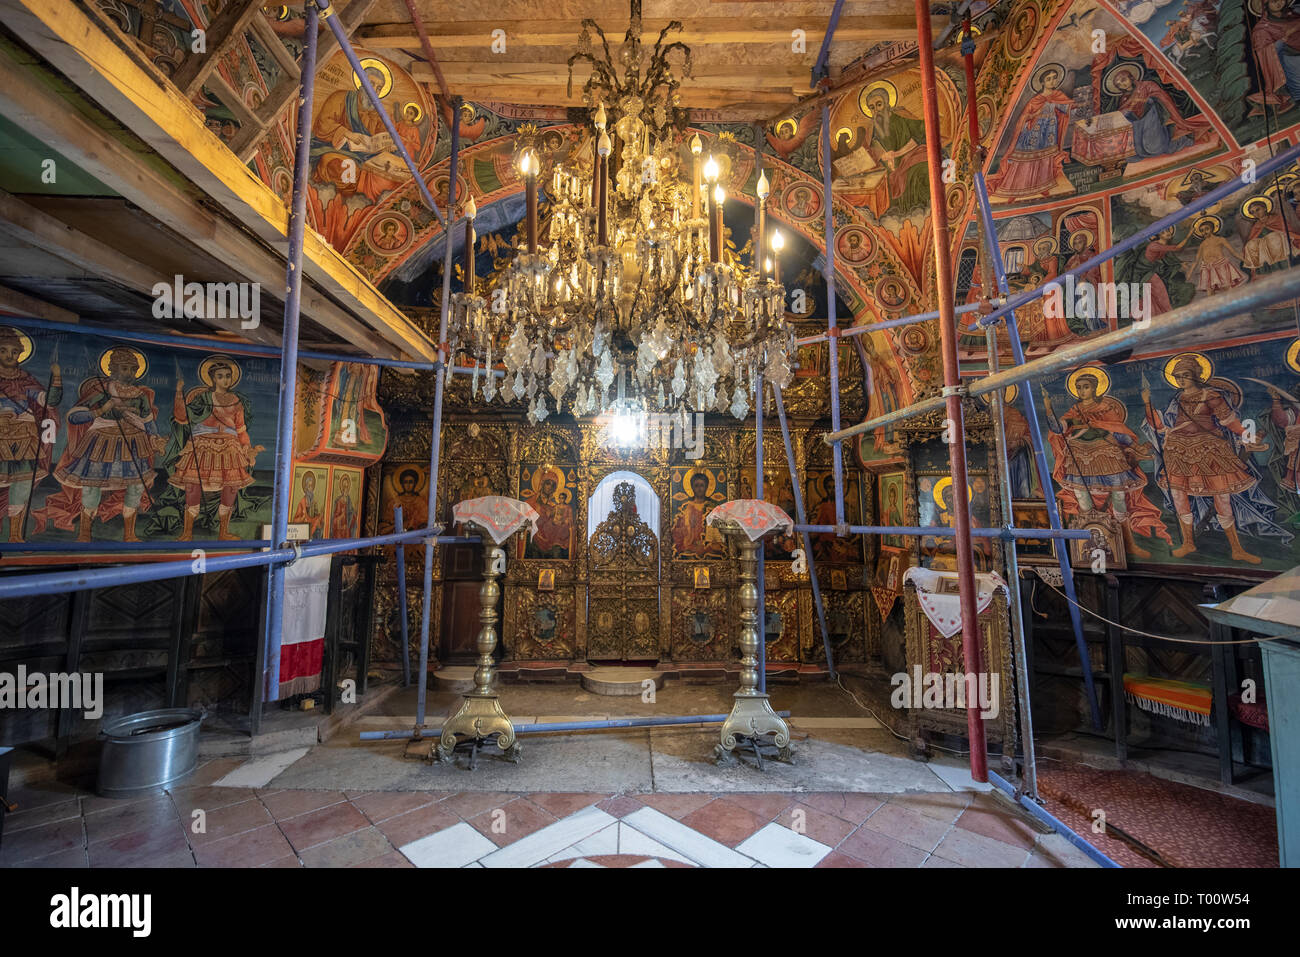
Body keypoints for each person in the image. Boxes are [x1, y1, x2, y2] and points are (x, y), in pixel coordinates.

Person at [1143, 356, 1268, 562]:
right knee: (1179, 498)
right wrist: (1147, 404)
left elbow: (1229, 420)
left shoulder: (1210, 395)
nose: (1181, 380)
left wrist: (1247, 436)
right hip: (1178, 451)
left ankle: (1237, 549)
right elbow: (1161, 426)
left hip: (1209, 450)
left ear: (1196, 376)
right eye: (1178, 377)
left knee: (1222, 498)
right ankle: (1188, 543)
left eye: (1186, 376)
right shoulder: (1177, 400)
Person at [1043, 372, 1170, 559]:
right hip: (1079, 458)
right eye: (1079, 387)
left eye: (1086, 386)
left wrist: (1136, 447)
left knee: (1119, 499)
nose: (1082, 390)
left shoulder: (1105, 407)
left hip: (1108, 456)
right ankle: (1089, 551)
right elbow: (1058, 428)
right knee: (1083, 501)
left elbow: (1118, 431)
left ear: (1095, 388)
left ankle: (1128, 545)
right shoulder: (1075, 410)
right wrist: (1048, 409)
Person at [53, 348, 163, 542]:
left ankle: (129, 533)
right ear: (112, 369)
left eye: (132, 369)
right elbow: (75, 416)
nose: (129, 373)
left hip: (134, 443)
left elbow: (147, 421)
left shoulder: (140, 395)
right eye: (124, 368)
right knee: (91, 485)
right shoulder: (102, 390)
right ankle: (85, 532)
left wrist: (155, 437)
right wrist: (101, 410)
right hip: (101, 442)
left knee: (136, 486)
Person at [163, 358, 262, 541]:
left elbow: (241, 429)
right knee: (192, 485)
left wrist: (247, 449)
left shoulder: (236, 401)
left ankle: (223, 532)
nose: (225, 380)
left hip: (230, 447)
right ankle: (187, 533)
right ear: (213, 379)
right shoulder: (203, 398)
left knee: (231, 488)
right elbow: (182, 417)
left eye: (228, 376)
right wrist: (178, 393)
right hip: (202, 444)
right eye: (220, 376)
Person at [0, 328, 60, 542]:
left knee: (21, 488)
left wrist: (57, 380)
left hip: (25, 440)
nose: (9, 356)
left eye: (14, 352)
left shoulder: (26, 380)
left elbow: (47, 402)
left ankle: (15, 535)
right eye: (3, 350)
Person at [987, 65, 1074, 200]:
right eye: (1049, 79)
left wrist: (1073, 105)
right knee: (1026, 159)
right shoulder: (1035, 100)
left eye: (1054, 79)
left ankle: (1043, 186)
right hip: (1033, 132)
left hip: (1049, 131)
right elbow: (1024, 117)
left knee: (1045, 157)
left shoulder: (1058, 96)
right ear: (1043, 82)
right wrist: (1034, 115)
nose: (1052, 82)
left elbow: (1066, 107)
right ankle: (1016, 188)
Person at [863, 86, 931, 216]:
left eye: (879, 104)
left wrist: (896, 154)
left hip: (911, 155)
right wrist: (884, 157)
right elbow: (872, 149)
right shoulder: (873, 128)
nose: (876, 110)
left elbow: (918, 135)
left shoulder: (901, 116)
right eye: (872, 108)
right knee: (881, 183)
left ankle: (923, 211)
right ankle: (901, 214)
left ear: (887, 103)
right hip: (890, 167)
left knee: (921, 170)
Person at [523, 466, 573, 558]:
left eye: (553, 485)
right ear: (542, 484)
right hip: (535, 539)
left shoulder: (553, 506)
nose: (550, 487)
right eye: (547, 483)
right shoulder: (530, 502)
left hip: (550, 538)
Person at [671, 470, 723, 558]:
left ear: (706, 487)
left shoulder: (713, 506)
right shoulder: (686, 506)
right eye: (696, 486)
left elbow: (719, 528)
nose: (699, 488)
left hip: (708, 543)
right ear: (692, 487)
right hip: (690, 544)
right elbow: (678, 529)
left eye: (702, 485)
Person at [291, 470, 325, 540]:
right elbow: (295, 520)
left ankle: (317, 542)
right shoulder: (302, 502)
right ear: (305, 487)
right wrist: (303, 518)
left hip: (311, 521)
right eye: (309, 486)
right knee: (315, 523)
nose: (311, 488)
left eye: (312, 486)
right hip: (305, 523)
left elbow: (315, 515)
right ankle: (310, 538)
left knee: (318, 520)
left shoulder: (314, 501)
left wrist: (320, 514)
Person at [331, 473, 358, 539]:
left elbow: (351, 515)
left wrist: (355, 512)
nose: (346, 489)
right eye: (344, 487)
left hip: (347, 528)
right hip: (339, 529)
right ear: (342, 488)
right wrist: (341, 516)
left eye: (347, 487)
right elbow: (334, 519)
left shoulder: (349, 500)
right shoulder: (339, 501)